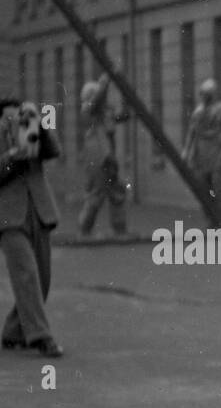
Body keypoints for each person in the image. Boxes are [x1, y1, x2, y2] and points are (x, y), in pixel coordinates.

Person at [0, 97, 64, 357]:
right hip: (8, 218)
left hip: (39, 212)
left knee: (42, 280)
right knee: (26, 273)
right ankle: (41, 337)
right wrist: (13, 157)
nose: (16, 121)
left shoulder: (32, 131)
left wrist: (40, 124)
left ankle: (13, 331)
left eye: (19, 116)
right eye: (10, 118)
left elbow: (54, 151)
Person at [77, 72, 130, 238]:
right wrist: (104, 84)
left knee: (116, 190)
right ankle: (85, 228)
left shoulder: (105, 112)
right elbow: (96, 102)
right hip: (97, 155)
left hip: (108, 154)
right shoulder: (89, 110)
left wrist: (126, 95)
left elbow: (123, 116)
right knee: (97, 192)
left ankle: (119, 229)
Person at [181, 78, 221, 225]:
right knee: (205, 191)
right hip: (202, 157)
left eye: (208, 94)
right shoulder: (198, 113)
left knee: (219, 189)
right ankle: (212, 218)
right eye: (203, 94)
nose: (205, 97)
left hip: (219, 156)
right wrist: (186, 151)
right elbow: (192, 133)